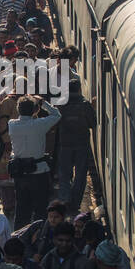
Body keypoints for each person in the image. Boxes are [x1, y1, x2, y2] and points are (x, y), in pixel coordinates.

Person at [8, 98, 61, 228]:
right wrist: (43, 103)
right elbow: (57, 115)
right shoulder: (39, 124)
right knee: (40, 208)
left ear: (18, 110)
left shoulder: (12, 124)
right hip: (38, 171)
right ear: (34, 110)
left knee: (21, 208)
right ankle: (39, 235)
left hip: (20, 171)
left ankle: (18, 236)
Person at [55, 80, 96, 211]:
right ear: (79, 90)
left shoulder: (61, 105)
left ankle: (65, 199)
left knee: (64, 174)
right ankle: (75, 203)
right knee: (80, 175)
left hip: (65, 144)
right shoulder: (85, 105)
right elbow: (92, 124)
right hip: (81, 144)